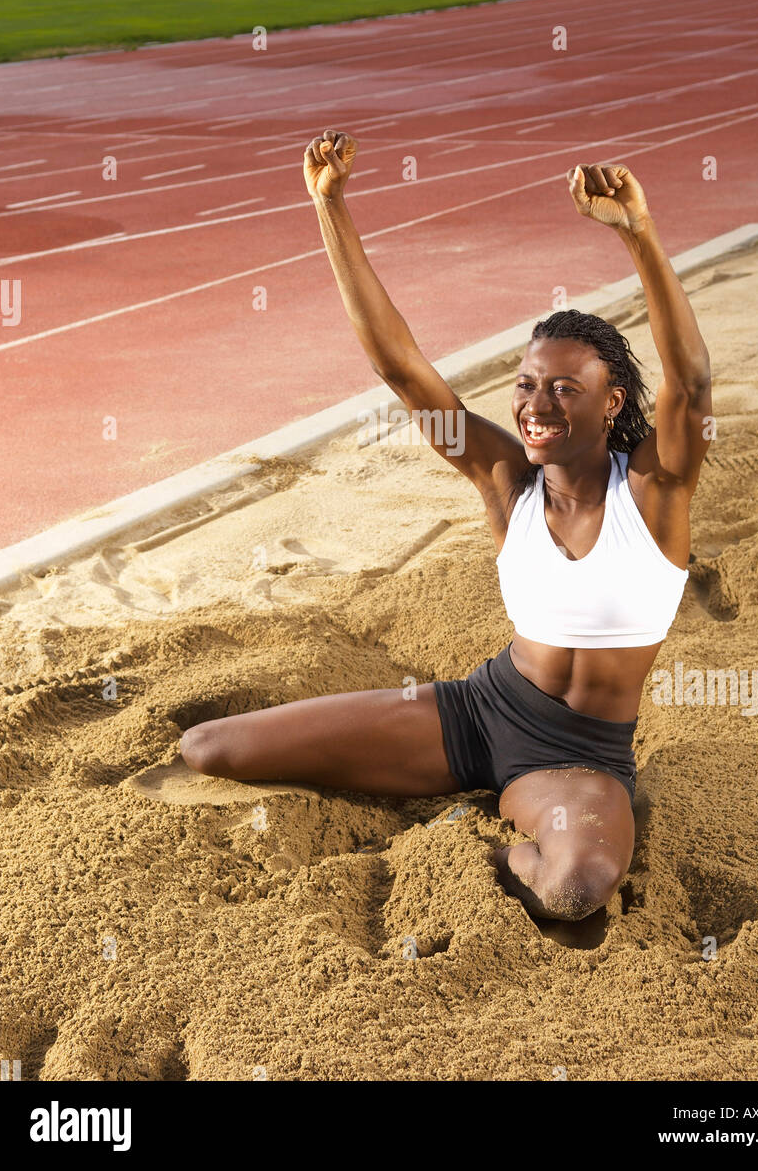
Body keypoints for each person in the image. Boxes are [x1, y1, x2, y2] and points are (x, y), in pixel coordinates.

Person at [180, 129, 712, 923]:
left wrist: (638, 233)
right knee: (210, 750)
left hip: (576, 763)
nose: (536, 403)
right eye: (527, 384)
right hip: (473, 716)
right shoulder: (504, 480)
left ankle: (492, 842)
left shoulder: (655, 491)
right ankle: (471, 795)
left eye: (565, 389)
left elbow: (691, 383)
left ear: (609, 403)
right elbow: (400, 368)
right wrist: (330, 206)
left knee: (572, 890)